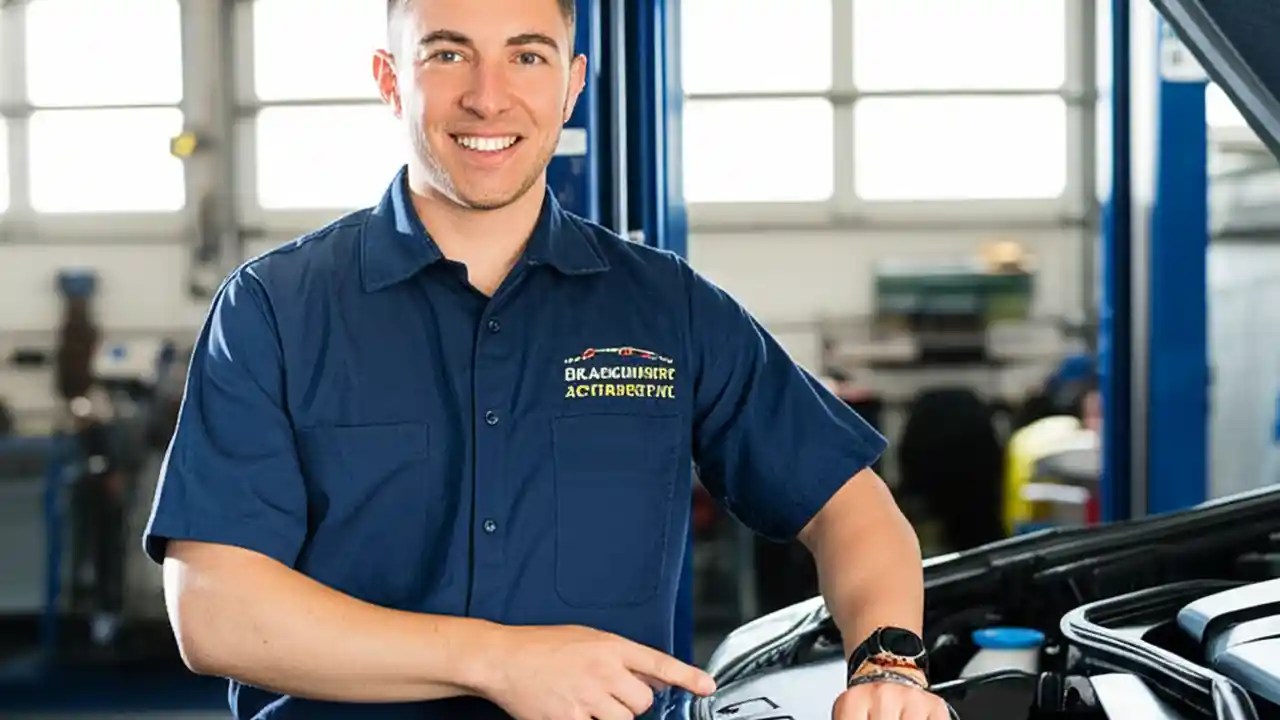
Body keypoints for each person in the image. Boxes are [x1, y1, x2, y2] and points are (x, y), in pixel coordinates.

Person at [142, 0, 949, 718]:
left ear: (571, 83)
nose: (488, 95)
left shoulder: (668, 308)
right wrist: (497, 660)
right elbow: (217, 612)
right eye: (447, 53)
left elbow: (853, 511)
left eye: (527, 55)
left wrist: (891, 665)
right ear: (391, 80)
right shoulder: (277, 308)